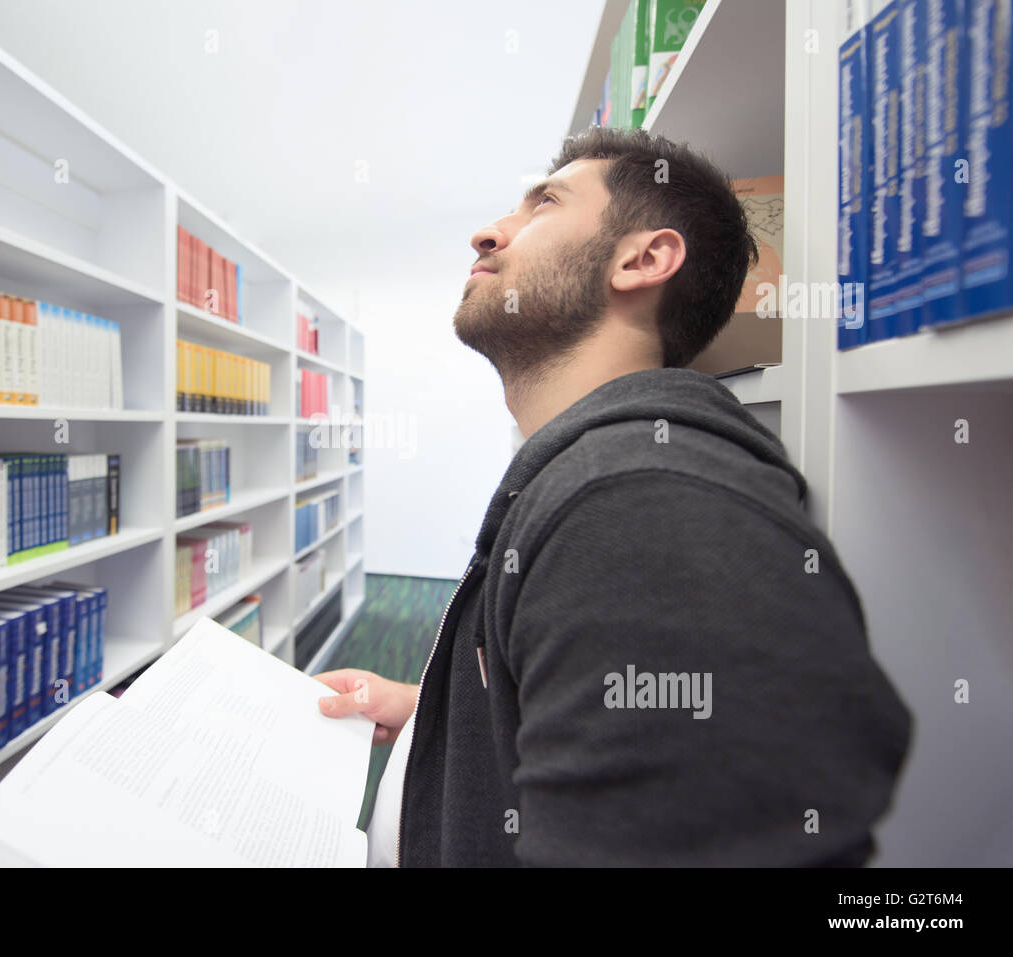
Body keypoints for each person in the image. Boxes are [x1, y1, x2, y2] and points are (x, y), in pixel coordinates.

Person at [315, 127, 911, 867]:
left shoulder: (640, 509)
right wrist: (431, 712)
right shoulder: (592, 483)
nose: (486, 231)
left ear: (644, 259)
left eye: (542, 205)